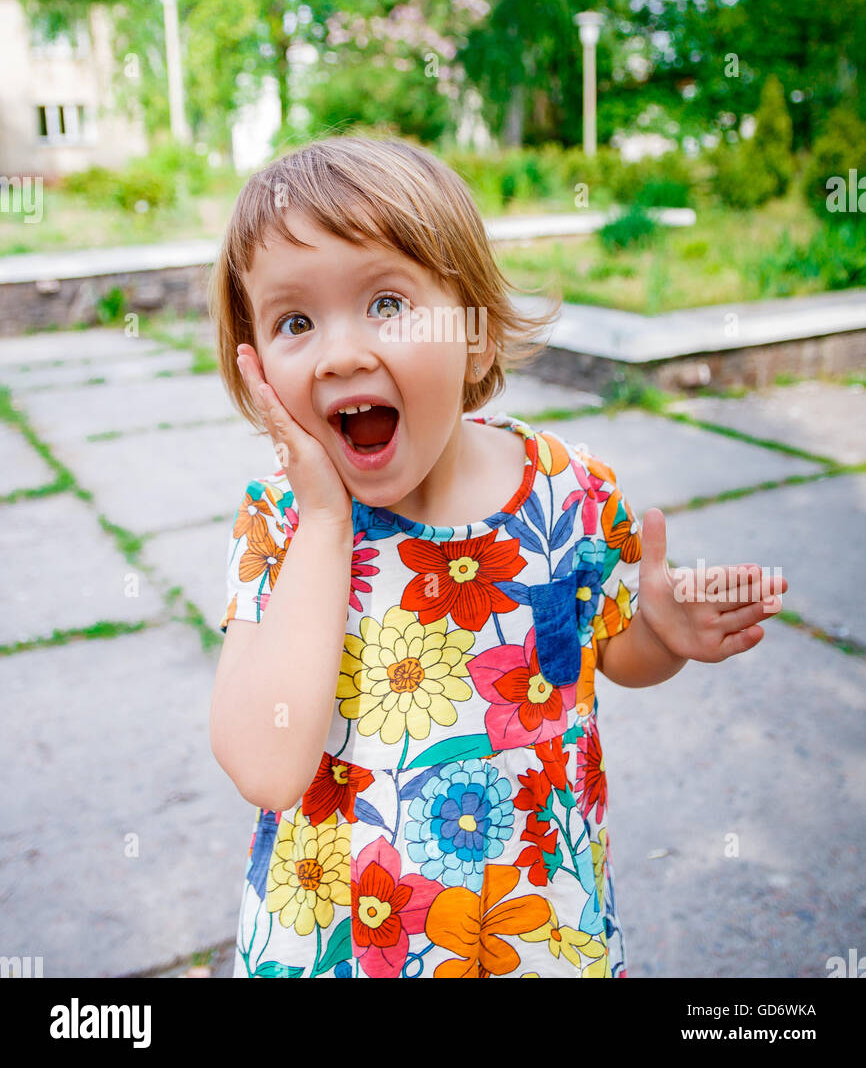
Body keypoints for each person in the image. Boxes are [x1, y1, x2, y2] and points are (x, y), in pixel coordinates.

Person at [208, 132, 787, 979]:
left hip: (533, 938)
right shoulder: (282, 522)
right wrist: (329, 524)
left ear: (475, 336)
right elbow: (265, 764)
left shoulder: (567, 495)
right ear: (255, 369)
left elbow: (609, 655)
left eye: (386, 303)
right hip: (336, 948)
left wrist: (661, 637)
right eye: (296, 321)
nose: (339, 354)